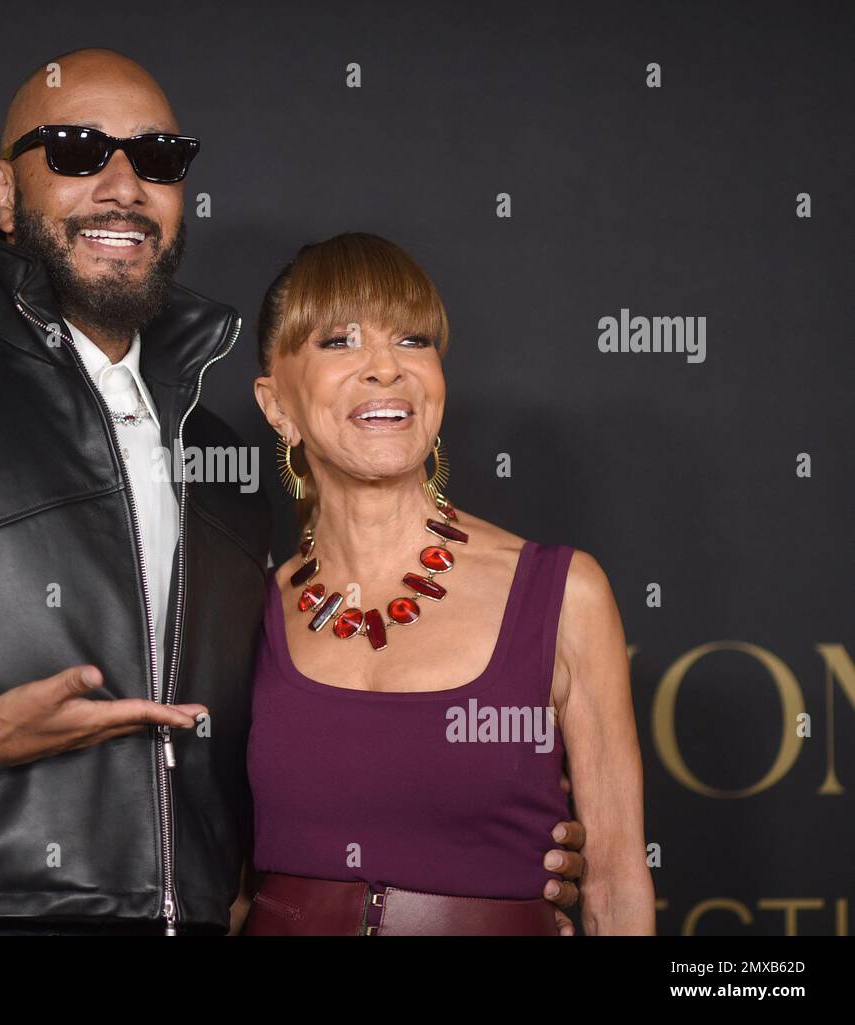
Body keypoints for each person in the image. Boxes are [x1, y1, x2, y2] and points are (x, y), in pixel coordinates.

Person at [0, 49, 586, 936]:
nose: (123, 183)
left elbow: (281, 754)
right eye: (78, 150)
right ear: (4, 193)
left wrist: (476, 859)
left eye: (157, 158)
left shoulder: (220, 463)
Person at [241, 233, 655, 935]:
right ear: (276, 404)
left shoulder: (562, 593)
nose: (385, 369)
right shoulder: (243, 607)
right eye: (339, 341)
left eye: (412, 339)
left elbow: (615, 884)